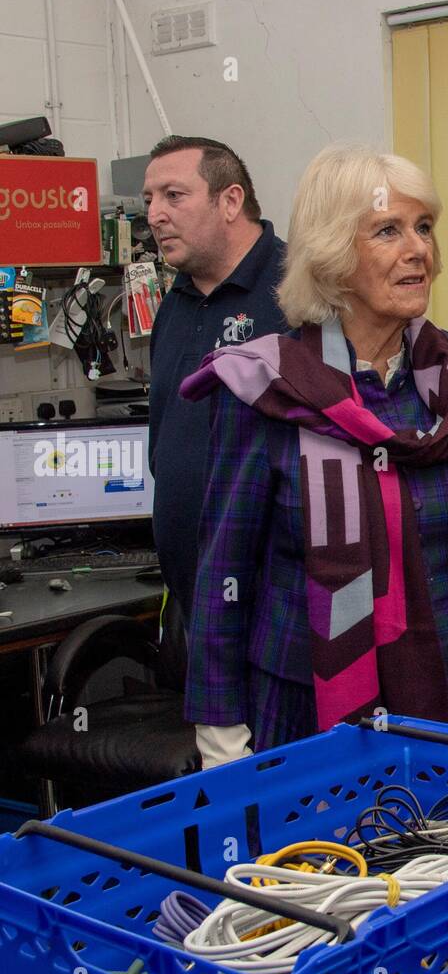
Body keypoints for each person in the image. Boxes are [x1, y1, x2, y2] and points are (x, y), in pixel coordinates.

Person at [180, 143, 448, 766]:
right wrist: (221, 736)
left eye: (424, 228)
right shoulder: (267, 385)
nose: (418, 250)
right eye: (388, 231)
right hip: (304, 708)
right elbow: (222, 573)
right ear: (333, 254)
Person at [145, 136, 287, 622]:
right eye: (149, 200)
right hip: (192, 600)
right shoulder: (174, 305)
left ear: (230, 201)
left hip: (275, 605)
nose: (155, 215)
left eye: (173, 196)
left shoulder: (298, 293)